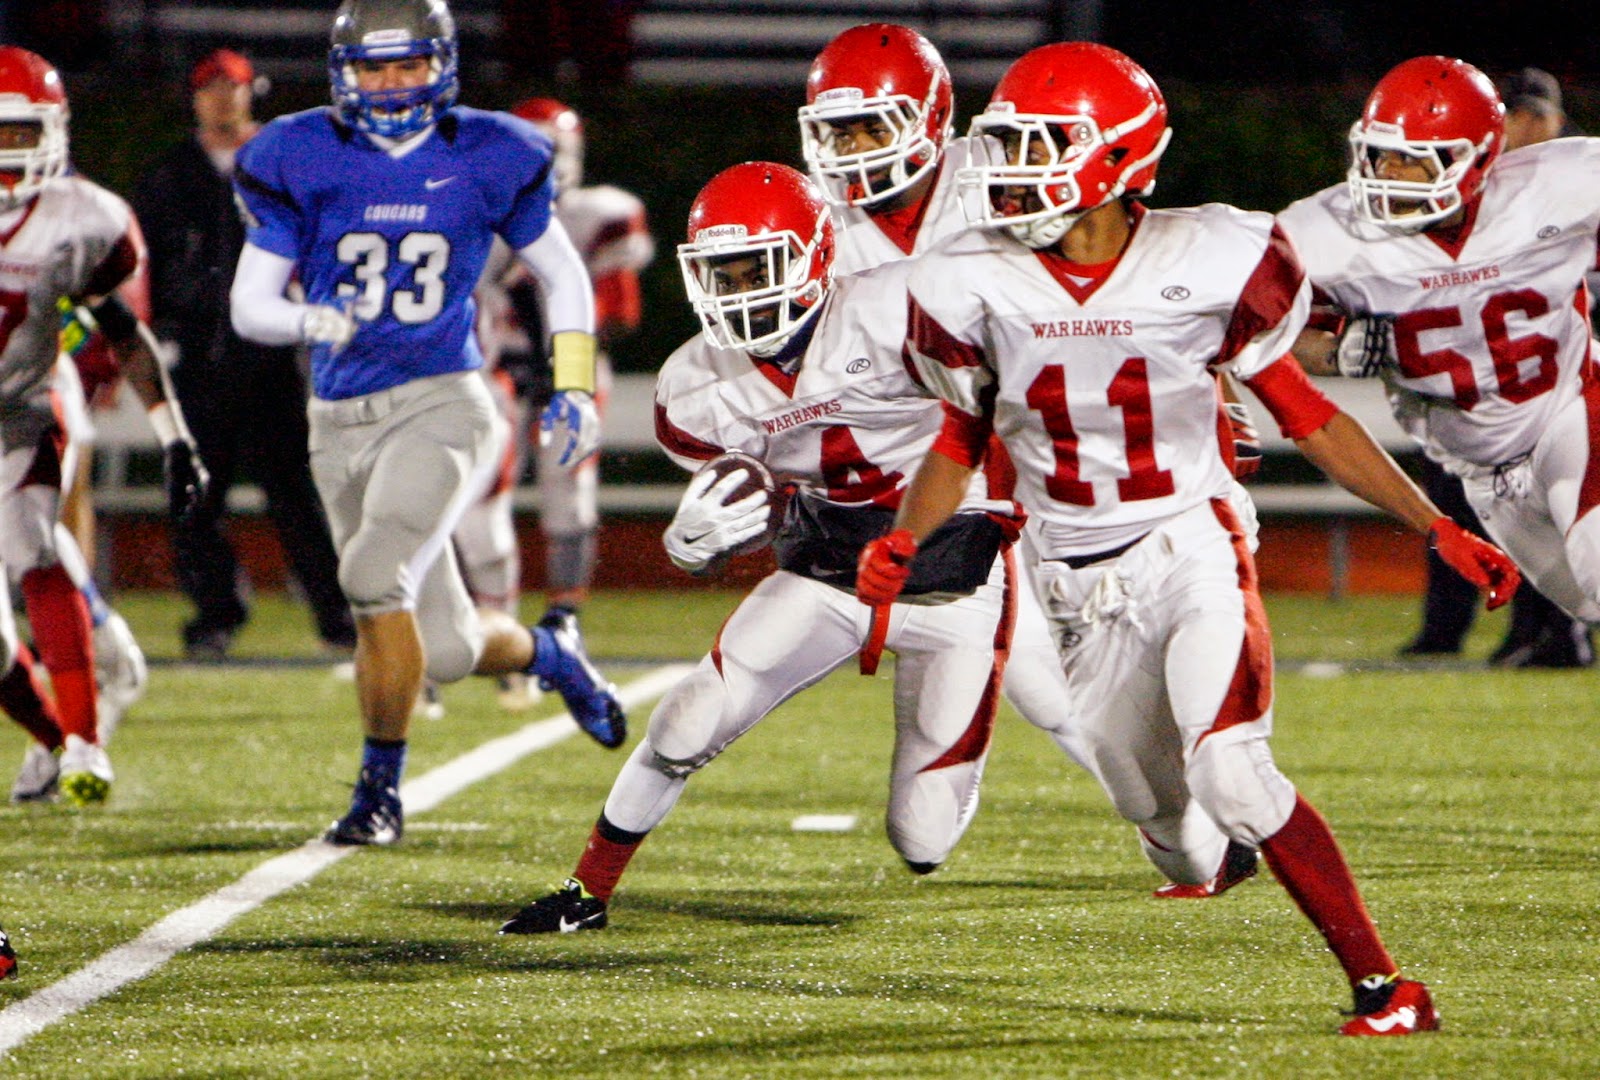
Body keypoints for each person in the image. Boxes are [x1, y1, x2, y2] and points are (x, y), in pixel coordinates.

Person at [861, 43, 1518, 1034]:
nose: (1013, 167)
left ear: (1120, 157)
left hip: (1189, 544)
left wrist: (1435, 527)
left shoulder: (1212, 254)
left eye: (1042, 144)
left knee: (1231, 772)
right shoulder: (966, 280)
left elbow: (1307, 416)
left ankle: (1385, 989)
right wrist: (907, 541)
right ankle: (1217, 850)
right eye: (1008, 144)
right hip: (1068, 578)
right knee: (1164, 824)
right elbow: (960, 432)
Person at [498, 161, 1025, 934]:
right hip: (830, 570)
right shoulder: (697, 389)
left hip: (955, 575)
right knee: (684, 722)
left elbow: (1017, 388)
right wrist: (693, 548)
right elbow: (755, 506)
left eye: (757, 267)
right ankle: (587, 891)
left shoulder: (899, 306)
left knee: (923, 837)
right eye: (722, 271)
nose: (740, 290)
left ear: (816, 255)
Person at [798, 21, 1259, 899]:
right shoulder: (821, 224)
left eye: (870, 127)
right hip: (940, 464)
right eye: (837, 130)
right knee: (1041, 714)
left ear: (934, 119)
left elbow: (1141, 268)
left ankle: (1208, 806)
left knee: (1091, 680)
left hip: (1061, 449)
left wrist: (1213, 383)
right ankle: (1185, 815)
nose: (851, 151)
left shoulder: (1007, 161)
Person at [228, 0, 626, 847]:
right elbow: (249, 303)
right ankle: (552, 657)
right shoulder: (298, 153)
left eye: (407, 65)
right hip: (337, 419)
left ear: (439, 65)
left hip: (445, 403)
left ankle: (378, 795)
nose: (390, 83)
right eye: (373, 67)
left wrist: (577, 385)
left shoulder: (489, 151)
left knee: (372, 574)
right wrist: (309, 322)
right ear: (344, 73)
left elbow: (564, 275)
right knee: (444, 649)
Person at [1280, 56, 1600, 674]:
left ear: (1478, 157)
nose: (1388, 175)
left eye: (1413, 159)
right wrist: (1333, 348)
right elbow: (1254, 330)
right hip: (1474, 466)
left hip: (1568, 408)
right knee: (1582, 601)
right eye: (1380, 155)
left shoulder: (1558, 183)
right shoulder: (1321, 233)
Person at [0, 45, 210, 806]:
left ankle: (84, 724)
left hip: (29, 398)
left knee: (36, 535)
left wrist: (169, 432)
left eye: (15, 134)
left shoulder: (80, 220)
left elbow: (112, 324)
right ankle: (64, 732)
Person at [133, 48, 357, 661]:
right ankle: (215, 613)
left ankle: (336, 617)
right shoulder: (169, 176)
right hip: (201, 352)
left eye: (230, 87)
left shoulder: (286, 163)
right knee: (195, 490)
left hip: (272, 353)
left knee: (297, 491)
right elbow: (143, 269)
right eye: (210, 87)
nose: (221, 98)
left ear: (251, 91)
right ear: (194, 95)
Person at [1392, 65, 1592, 668]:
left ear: (1558, 122)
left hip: (1554, 391)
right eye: (1518, 116)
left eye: (1539, 116)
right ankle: (1450, 630)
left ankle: (1556, 634)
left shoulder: (1574, 187)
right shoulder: (1464, 194)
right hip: (1463, 390)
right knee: (1457, 504)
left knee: (1559, 514)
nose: (1528, 128)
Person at [461, 96, 654, 710]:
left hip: (568, 369)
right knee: (478, 496)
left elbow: (620, 314)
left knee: (570, 499)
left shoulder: (597, 217)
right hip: (494, 373)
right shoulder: (472, 215)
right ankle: (497, 636)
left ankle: (562, 625)